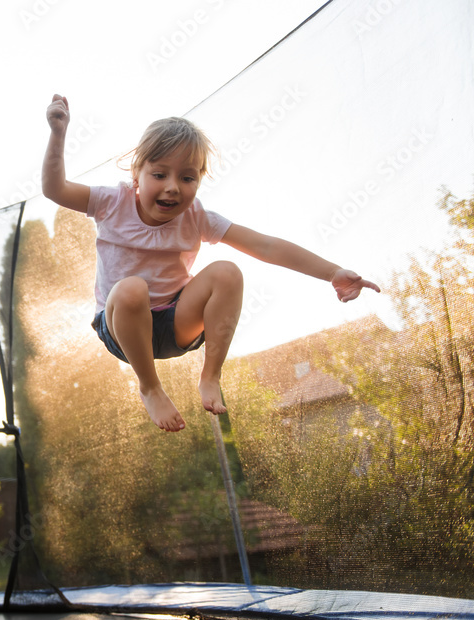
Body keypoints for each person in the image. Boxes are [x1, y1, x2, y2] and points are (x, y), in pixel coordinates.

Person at [42, 94, 379, 432]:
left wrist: (332, 272)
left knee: (227, 273)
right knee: (132, 289)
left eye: (187, 178)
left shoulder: (196, 216)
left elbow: (265, 246)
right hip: (122, 326)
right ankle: (150, 386)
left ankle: (211, 374)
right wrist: (58, 133)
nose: (173, 187)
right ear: (136, 174)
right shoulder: (110, 201)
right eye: (159, 174)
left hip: (176, 323)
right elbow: (55, 189)